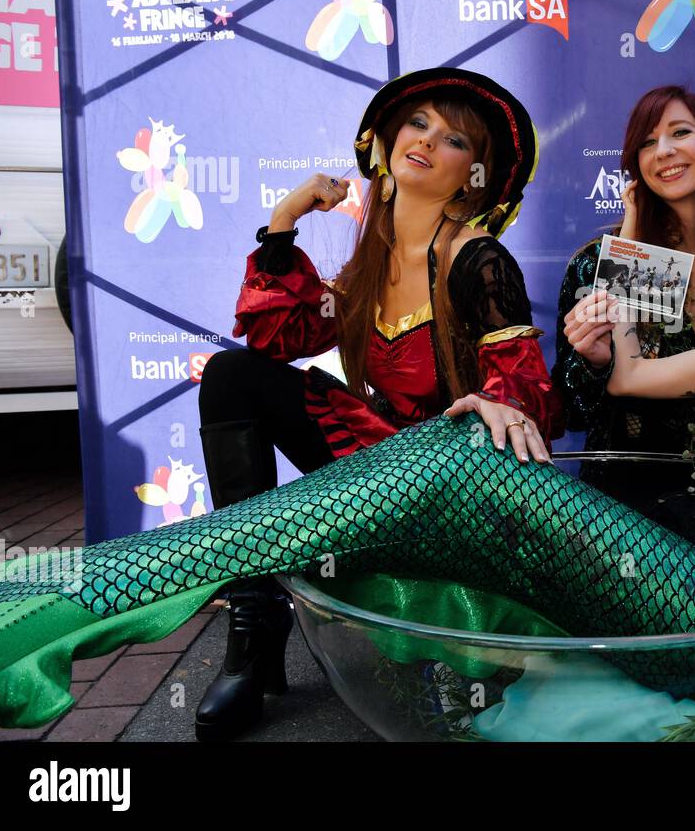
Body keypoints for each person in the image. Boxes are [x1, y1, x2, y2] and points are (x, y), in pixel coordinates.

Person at [0, 135, 695, 730]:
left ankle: (94, 590)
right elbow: (633, 376)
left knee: (465, 462)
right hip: (679, 568)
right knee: (463, 440)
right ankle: (87, 595)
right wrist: (593, 332)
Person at [193, 67, 563, 739]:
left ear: (474, 175)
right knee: (230, 375)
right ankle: (254, 622)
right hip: (372, 454)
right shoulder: (372, 258)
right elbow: (281, 337)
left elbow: (525, 394)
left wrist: (500, 404)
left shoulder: (478, 260)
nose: (425, 140)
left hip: (445, 484)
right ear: (387, 140)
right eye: (416, 123)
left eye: (453, 139)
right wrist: (283, 222)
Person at [556, 86, 695, 512]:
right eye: (648, 142)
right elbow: (575, 411)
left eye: (680, 132)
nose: (664, 151)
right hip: (626, 510)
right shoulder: (602, 262)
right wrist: (596, 361)